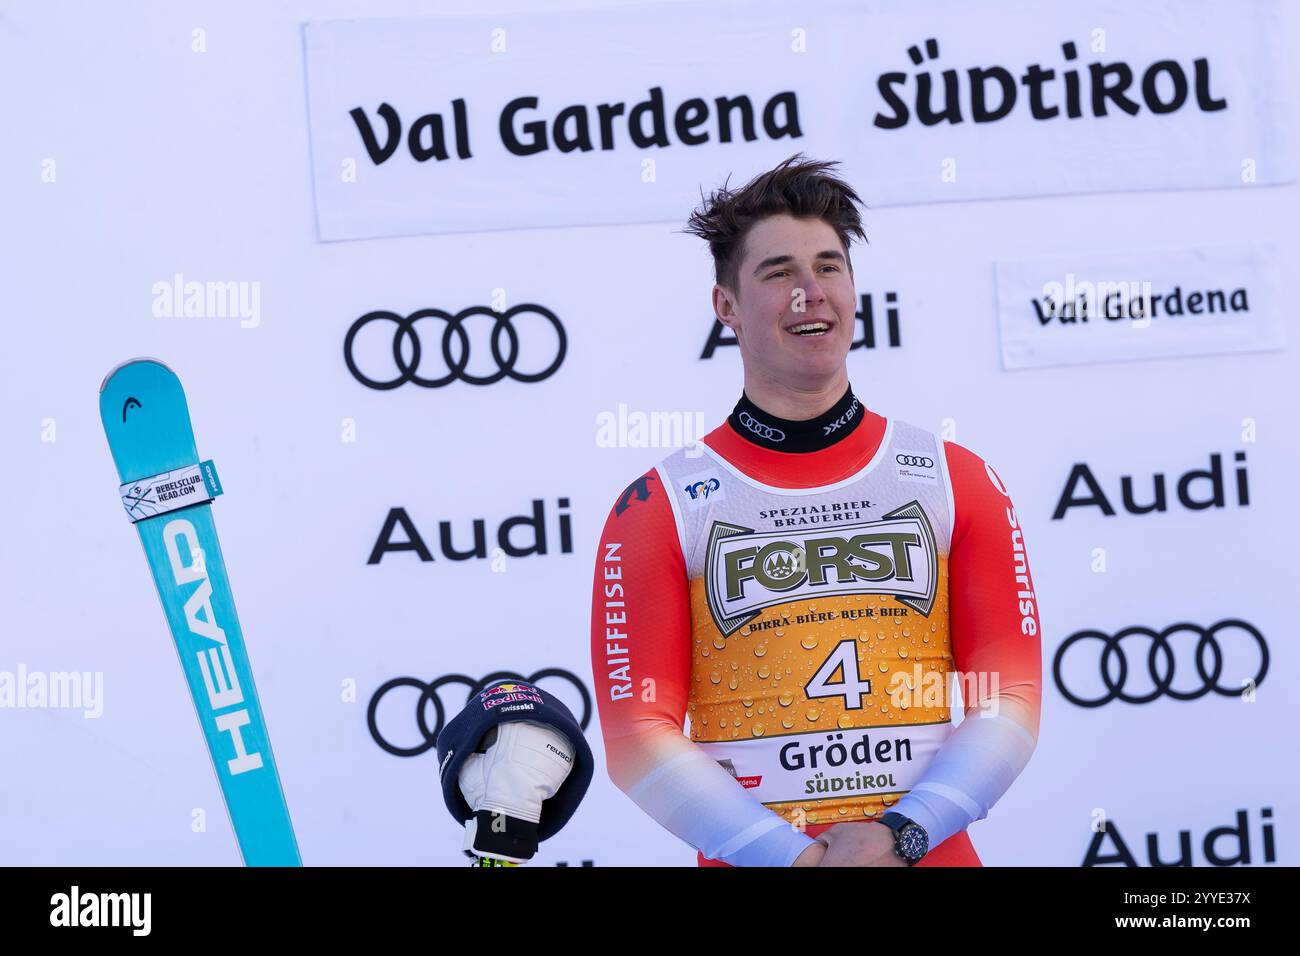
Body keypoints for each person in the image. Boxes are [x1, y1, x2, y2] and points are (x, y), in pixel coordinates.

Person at [588, 154, 1042, 867]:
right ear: (726, 306)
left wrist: (905, 835)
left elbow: (1009, 696)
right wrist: (797, 860)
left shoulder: (956, 478)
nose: (811, 293)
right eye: (779, 273)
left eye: (829, 267)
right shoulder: (657, 505)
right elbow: (634, 734)